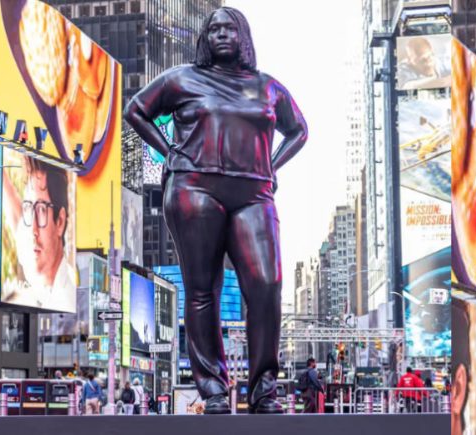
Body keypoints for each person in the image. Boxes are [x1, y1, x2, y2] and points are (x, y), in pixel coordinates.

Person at [124, 6, 308, 415]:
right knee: (203, 288)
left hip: (254, 193)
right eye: (214, 29)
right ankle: (213, 390)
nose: (222, 35)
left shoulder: (268, 88)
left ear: (244, 37)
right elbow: (135, 110)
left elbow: (299, 130)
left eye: (231, 29)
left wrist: (272, 165)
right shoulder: (181, 78)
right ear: (204, 38)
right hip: (195, 186)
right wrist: (169, 151)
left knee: (266, 284)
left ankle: (263, 388)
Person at [1, 157, 74, 310]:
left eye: (41, 209)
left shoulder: (67, 298)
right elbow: (16, 216)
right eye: (29, 207)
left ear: (60, 221)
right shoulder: (31, 253)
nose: (33, 230)